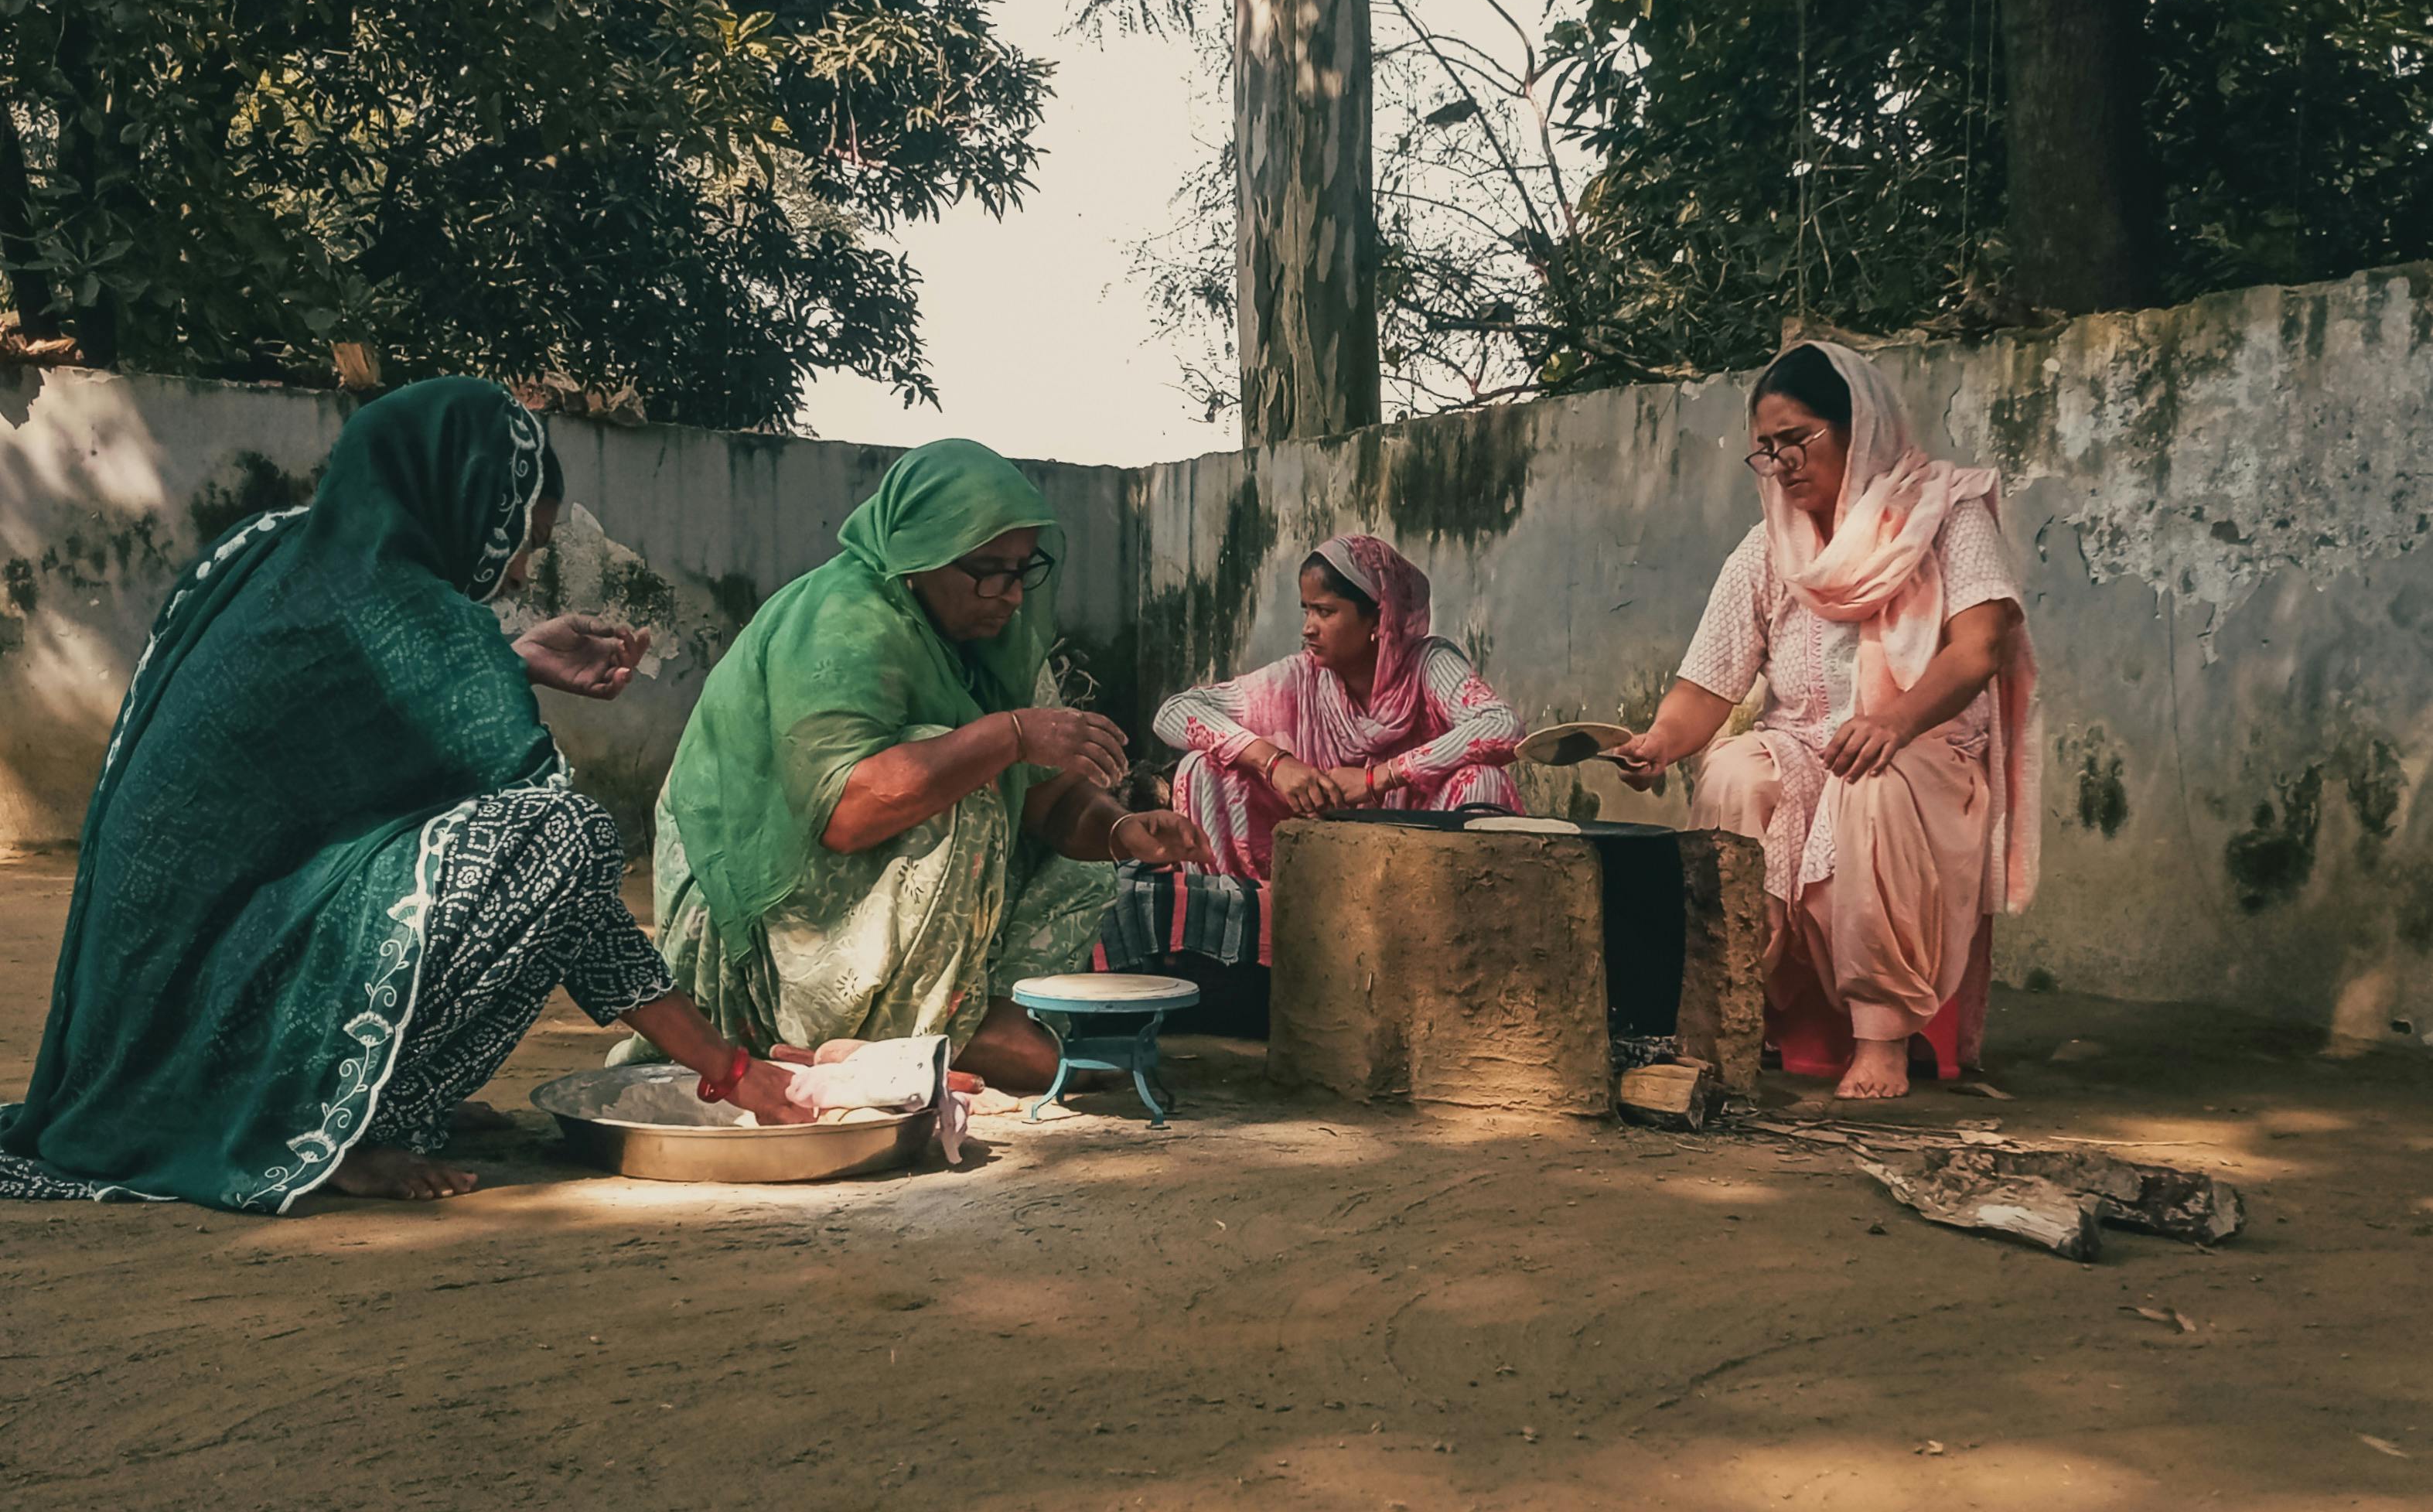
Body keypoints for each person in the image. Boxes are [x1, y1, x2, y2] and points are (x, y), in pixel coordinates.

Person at [0, 378, 817, 1213]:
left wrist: (508, 660)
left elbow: (345, 713)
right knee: (563, 838)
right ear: (468, 505)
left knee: (503, 856)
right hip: (232, 1003)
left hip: (156, 1002)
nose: (519, 572)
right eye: (524, 541)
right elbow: (569, 893)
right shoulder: (420, 620)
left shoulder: (267, 551)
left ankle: (366, 1096)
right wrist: (730, 1070)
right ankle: (330, 1130)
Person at [626, 439, 1213, 1093]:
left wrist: (1120, 831)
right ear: (919, 554)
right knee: (962, 776)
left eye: (1023, 571)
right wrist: (1009, 735)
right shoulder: (839, 620)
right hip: (767, 901)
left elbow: (1046, 801)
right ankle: (895, 1035)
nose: (1010, 595)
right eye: (988, 570)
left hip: (868, 885)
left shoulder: (995, 642)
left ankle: (994, 1018)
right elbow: (844, 813)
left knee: (1076, 858)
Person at [1609, 344, 2040, 1100]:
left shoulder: (1946, 513)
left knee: (1869, 781)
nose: (1780, 464)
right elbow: (1707, 683)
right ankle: (1729, 1008)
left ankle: (1881, 1035)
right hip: (1804, 745)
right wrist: (1657, 743)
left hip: (1923, 747)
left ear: (1858, 427)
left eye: (1796, 440)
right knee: (1735, 769)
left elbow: (1980, 648)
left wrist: (1894, 721)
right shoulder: (1769, 549)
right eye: (1766, 449)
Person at [1154, 534, 1525, 912]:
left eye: (1325, 612)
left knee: (1483, 781)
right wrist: (1274, 763)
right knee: (1201, 769)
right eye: (1307, 611)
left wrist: (1378, 779)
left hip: (1422, 877)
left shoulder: (1427, 665)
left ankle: (1459, 934)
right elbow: (1174, 712)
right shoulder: (1299, 678)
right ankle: (1242, 922)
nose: (1308, 628)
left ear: (1378, 617)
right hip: (1319, 876)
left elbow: (1502, 727)